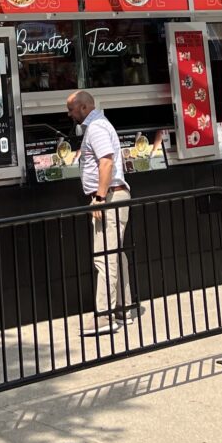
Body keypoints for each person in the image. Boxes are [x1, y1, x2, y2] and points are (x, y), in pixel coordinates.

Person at [66, 89, 135, 336]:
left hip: (110, 196)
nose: (69, 114)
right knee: (115, 254)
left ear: (84, 107)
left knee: (104, 256)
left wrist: (99, 197)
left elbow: (106, 162)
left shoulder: (95, 128)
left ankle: (104, 317)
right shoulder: (100, 124)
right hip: (115, 195)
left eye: (71, 109)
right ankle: (123, 308)